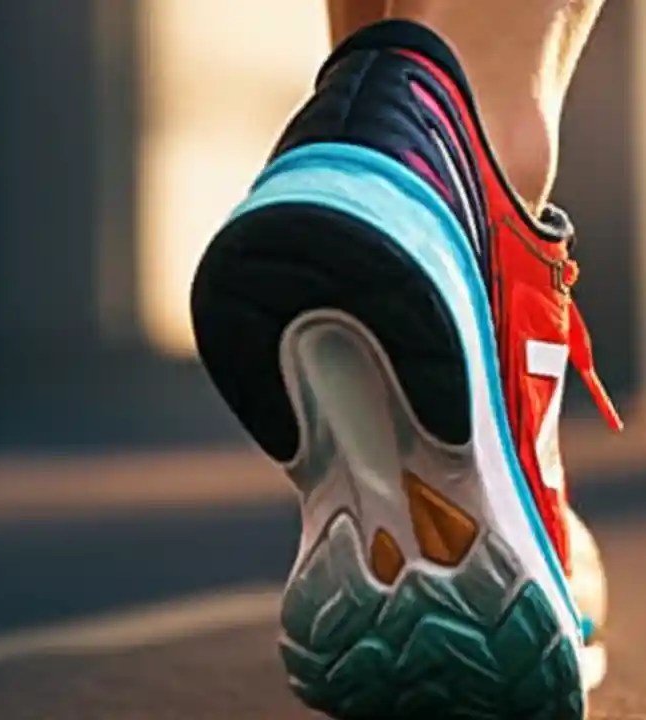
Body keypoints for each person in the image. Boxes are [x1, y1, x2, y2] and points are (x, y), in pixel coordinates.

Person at [189, 2, 614, 718]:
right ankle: (469, 130)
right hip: (453, 153)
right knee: (492, 102)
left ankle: (379, 123)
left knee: (402, 64)